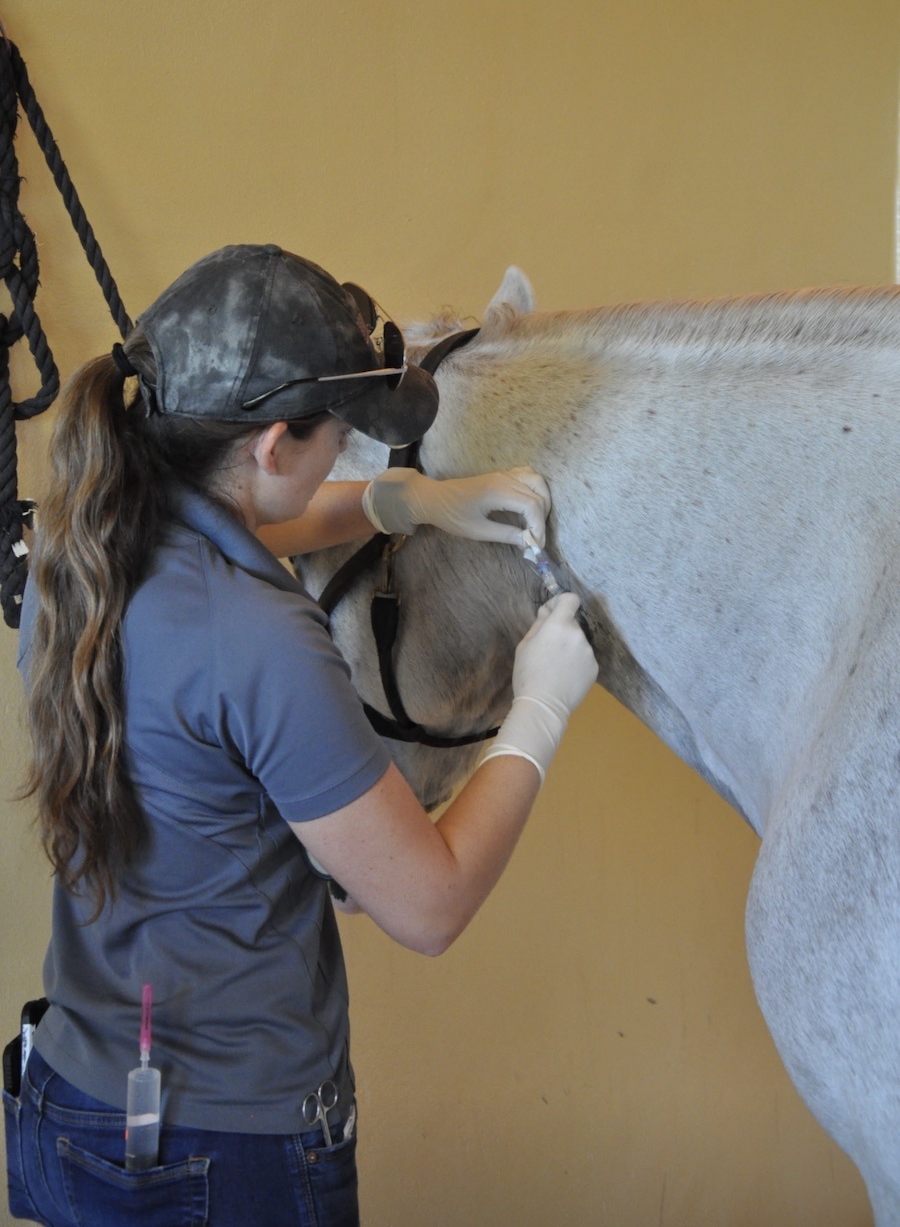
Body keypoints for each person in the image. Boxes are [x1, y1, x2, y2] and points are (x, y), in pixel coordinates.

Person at [5, 244, 598, 1226]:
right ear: (275, 445)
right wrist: (538, 710)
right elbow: (428, 905)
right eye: (343, 442)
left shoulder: (78, 543)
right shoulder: (259, 636)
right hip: (219, 1157)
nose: (347, 456)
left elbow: (241, 520)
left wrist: (397, 499)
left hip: (72, 1103)